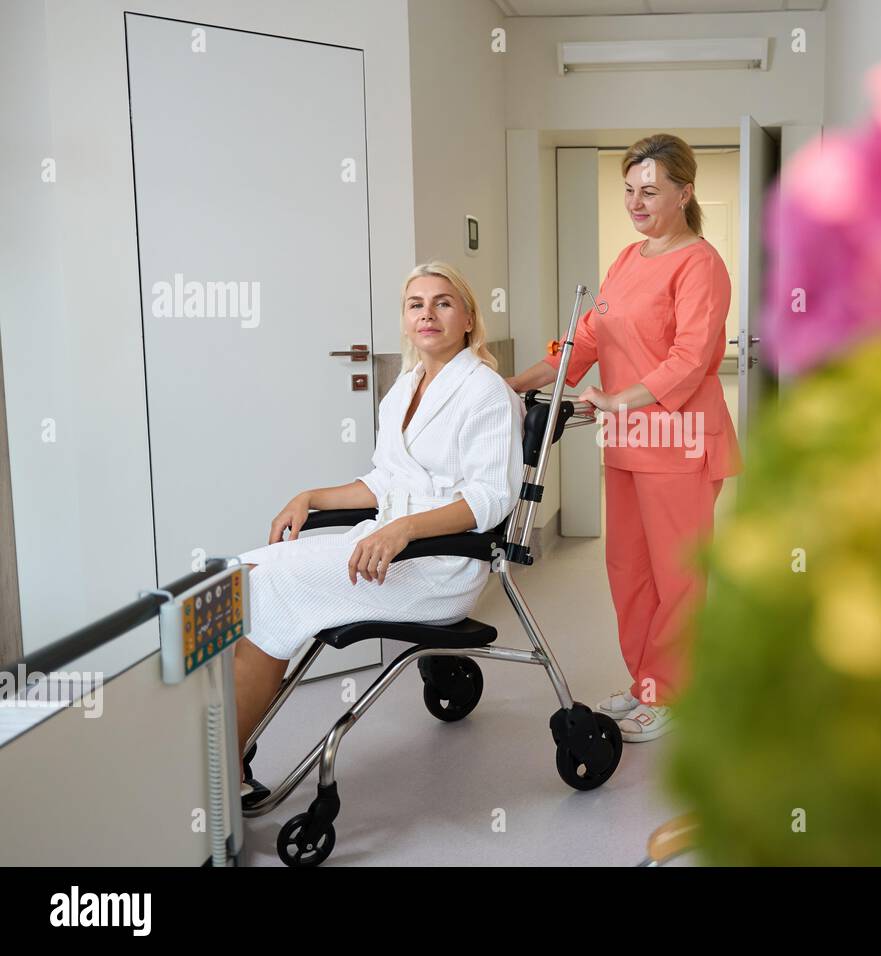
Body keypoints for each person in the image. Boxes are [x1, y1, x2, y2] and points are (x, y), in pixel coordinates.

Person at [234, 261, 524, 793]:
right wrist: (310, 496)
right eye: (416, 304)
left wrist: (405, 530)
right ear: (405, 320)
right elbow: (385, 480)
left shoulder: (486, 393)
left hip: (437, 565)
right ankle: (218, 749)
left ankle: (224, 770)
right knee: (241, 570)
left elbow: (490, 498)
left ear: (467, 319)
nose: (427, 313)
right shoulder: (406, 387)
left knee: (265, 587)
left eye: (442, 302)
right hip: (386, 546)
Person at [507, 134, 741, 742]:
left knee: (676, 576)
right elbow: (584, 341)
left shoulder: (701, 264)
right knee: (627, 568)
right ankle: (646, 683)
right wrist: (511, 382)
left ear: (684, 192)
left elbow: (691, 359)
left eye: (650, 191)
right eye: (630, 191)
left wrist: (618, 398)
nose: (636, 203)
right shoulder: (626, 259)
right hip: (627, 440)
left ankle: (670, 690)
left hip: (680, 441)